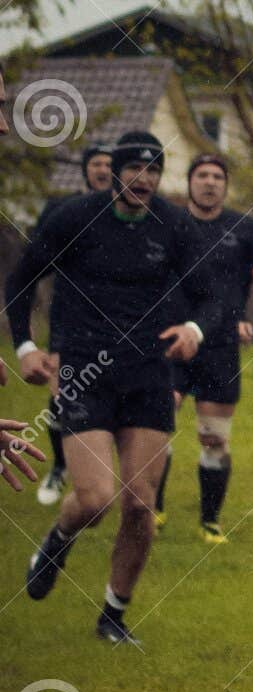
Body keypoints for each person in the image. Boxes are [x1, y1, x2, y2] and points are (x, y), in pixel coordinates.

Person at [8, 131, 220, 644]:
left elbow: (213, 296)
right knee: (98, 497)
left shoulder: (175, 226)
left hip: (148, 374)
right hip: (83, 373)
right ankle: (59, 538)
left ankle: (113, 615)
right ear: (115, 172)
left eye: (153, 171)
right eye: (134, 170)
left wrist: (193, 330)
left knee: (140, 505)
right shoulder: (74, 218)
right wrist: (25, 348)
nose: (144, 180)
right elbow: (19, 282)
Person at [151, 154, 253, 540]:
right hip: (170, 341)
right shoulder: (170, 225)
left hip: (221, 346)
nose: (209, 182)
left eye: (217, 177)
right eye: (202, 176)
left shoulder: (244, 228)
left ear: (225, 185)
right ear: (190, 181)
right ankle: (154, 508)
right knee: (158, 425)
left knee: (213, 437)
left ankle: (210, 521)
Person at [34, 142, 113, 509]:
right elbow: (35, 261)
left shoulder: (129, 211)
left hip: (119, 319)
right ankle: (61, 465)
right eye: (96, 163)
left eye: (110, 164)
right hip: (69, 315)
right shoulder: (62, 209)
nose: (103, 169)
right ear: (85, 169)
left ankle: (105, 474)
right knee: (61, 392)